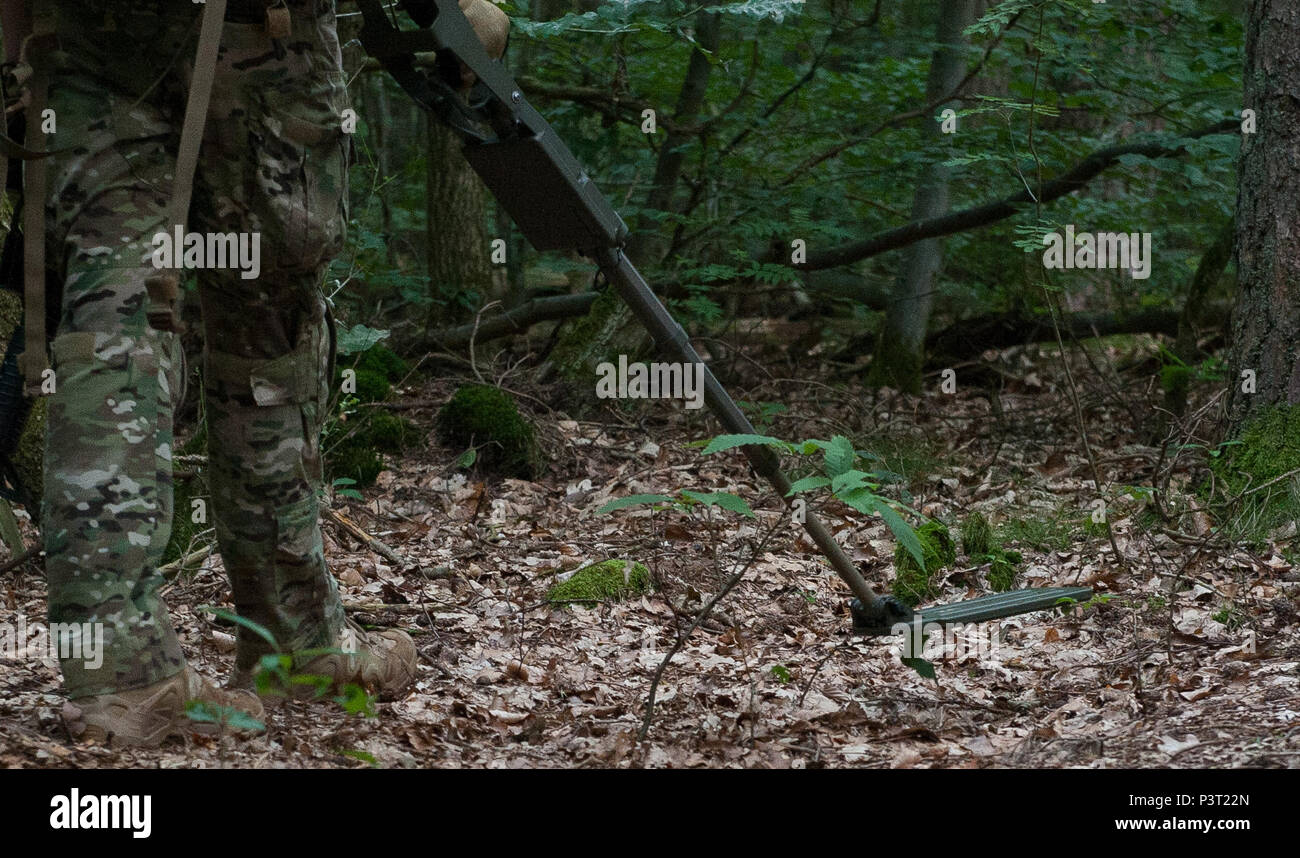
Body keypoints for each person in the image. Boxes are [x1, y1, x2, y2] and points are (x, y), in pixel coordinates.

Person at [0, 0, 509, 747]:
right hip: (260, 41)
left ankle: (122, 671)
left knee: (113, 316)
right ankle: (294, 645)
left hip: (84, 41)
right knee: (269, 328)